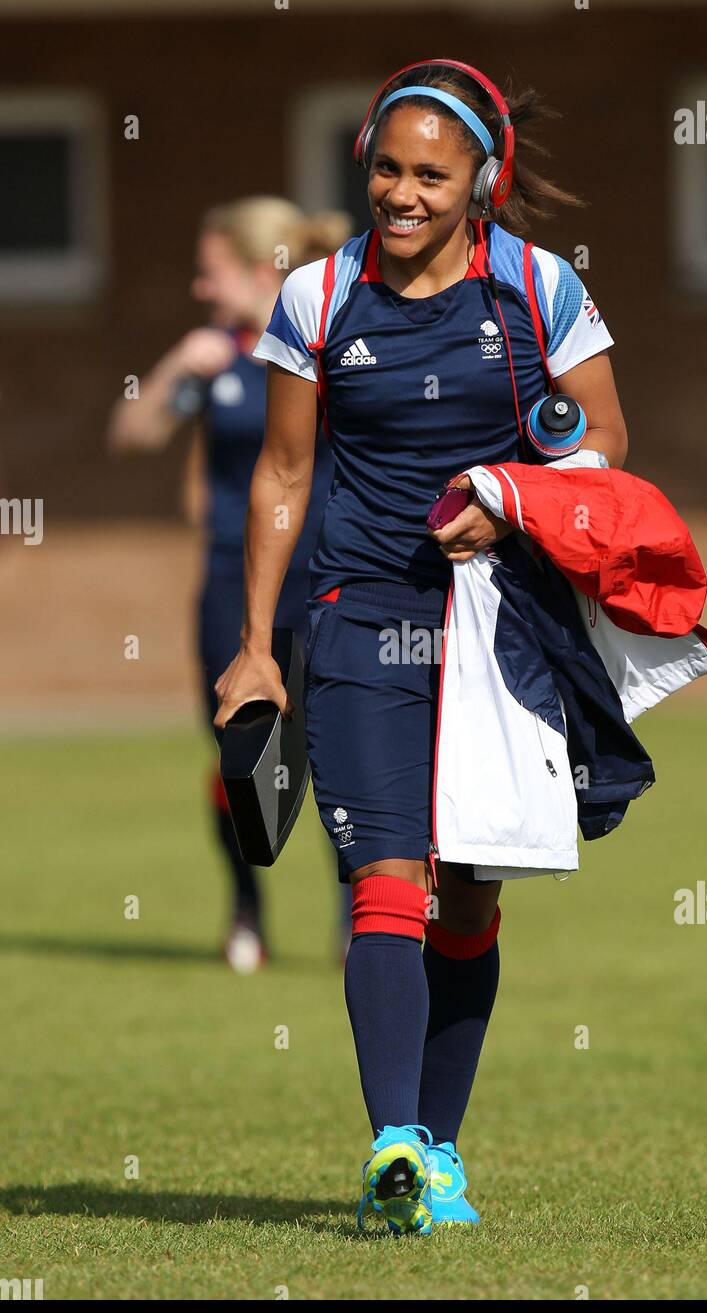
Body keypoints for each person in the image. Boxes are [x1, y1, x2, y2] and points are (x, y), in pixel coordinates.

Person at [213, 61, 628, 1231]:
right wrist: (256, 645)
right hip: (354, 618)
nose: (400, 193)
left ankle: (437, 1150)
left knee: (468, 898)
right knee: (383, 876)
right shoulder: (316, 295)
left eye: (428, 175)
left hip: (500, 624)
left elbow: (602, 429)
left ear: (479, 182)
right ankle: (393, 1142)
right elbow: (284, 472)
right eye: (386, 168)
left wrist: (511, 491)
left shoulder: (537, 290)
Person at [108, 197, 352, 972]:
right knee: (244, 755)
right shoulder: (214, 358)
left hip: (326, 576)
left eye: (208, 272)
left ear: (255, 270)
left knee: (338, 751)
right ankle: (246, 915)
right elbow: (131, 435)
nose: (199, 288)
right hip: (229, 580)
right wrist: (180, 363)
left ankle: (357, 921)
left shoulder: (323, 347)